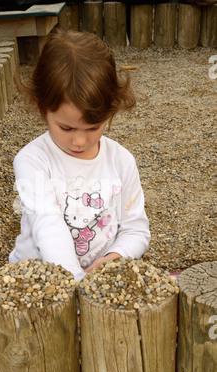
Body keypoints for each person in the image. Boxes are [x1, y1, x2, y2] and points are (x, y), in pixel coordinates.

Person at [9, 29, 150, 282]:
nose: (80, 141)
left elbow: (136, 229)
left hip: (94, 281)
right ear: (41, 109)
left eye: (93, 128)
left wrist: (114, 258)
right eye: (66, 128)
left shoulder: (121, 161)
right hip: (36, 279)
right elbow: (48, 226)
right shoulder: (32, 161)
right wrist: (76, 281)